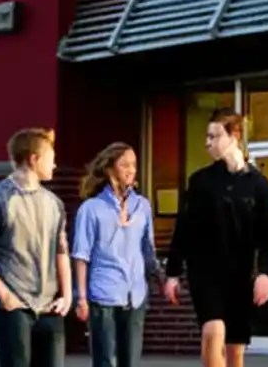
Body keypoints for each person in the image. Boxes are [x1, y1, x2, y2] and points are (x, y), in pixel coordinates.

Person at [164, 109, 268, 367]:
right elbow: (184, 228)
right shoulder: (201, 182)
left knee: (235, 348)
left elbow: (267, 236)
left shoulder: (259, 186)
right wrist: (173, 272)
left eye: (214, 136)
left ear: (234, 136)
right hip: (205, 272)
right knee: (213, 331)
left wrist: (266, 274)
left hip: (240, 273)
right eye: (207, 136)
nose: (207, 143)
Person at [0, 127, 72, 367]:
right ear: (34, 159)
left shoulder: (54, 203)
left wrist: (67, 295)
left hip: (50, 309)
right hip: (13, 309)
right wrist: (4, 296)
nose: (55, 165)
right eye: (51, 159)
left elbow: (61, 251)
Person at [73, 142, 161, 367]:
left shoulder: (142, 206)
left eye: (134, 165)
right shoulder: (91, 209)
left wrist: (162, 278)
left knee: (129, 362)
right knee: (106, 362)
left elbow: (148, 250)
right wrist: (81, 298)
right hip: (103, 295)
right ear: (110, 169)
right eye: (125, 165)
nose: (131, 170)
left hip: (135, 296)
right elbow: (81, 256)